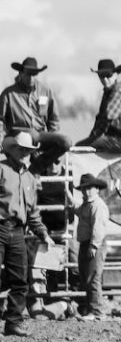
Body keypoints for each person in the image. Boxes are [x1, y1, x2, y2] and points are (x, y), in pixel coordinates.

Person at [0, 129, 56, 336]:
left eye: (28, 150)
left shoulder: (30, 178)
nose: (25, 153)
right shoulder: (1, 170)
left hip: (17, 231)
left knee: (20, 279)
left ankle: (13, 321)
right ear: (12, 150)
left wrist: (43, 234)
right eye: (21, 149)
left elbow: (33, 212)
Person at [0, 57, 72, 175]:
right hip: (17, 136)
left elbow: (53, 119)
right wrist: (1, 139)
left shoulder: (45, 91)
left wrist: (52, 139)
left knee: (66, 142)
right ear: (20, 73)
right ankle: (29, 172)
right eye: (28, 74)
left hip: (39, 136)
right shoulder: (8, 94)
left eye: (34, 74)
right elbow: (0, 120)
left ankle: (36, 168)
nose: (31, 78)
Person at [75, 59, 121, 153]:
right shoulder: (107, 92)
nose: (105, 79)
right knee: (80, 146)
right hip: (113, 138)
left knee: (80, 147)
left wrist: (92, 138)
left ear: (115, 75)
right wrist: (92, 137)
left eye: (108, 75)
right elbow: (100, 121)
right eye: (101, 76)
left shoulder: (120, 89)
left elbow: (109, 115)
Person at [74, 173, 110, 321]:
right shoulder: (87, 205)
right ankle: (91, 309)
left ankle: (97, 312)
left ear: (96, 189)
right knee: (87, 278)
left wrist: (94, 245)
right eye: (84, 188)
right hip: (86, 244)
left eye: (89, 188)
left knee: (93, 278)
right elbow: (80, 212)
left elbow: (98, 228)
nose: (86, 191)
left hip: (94, 244)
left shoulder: (97, 205)